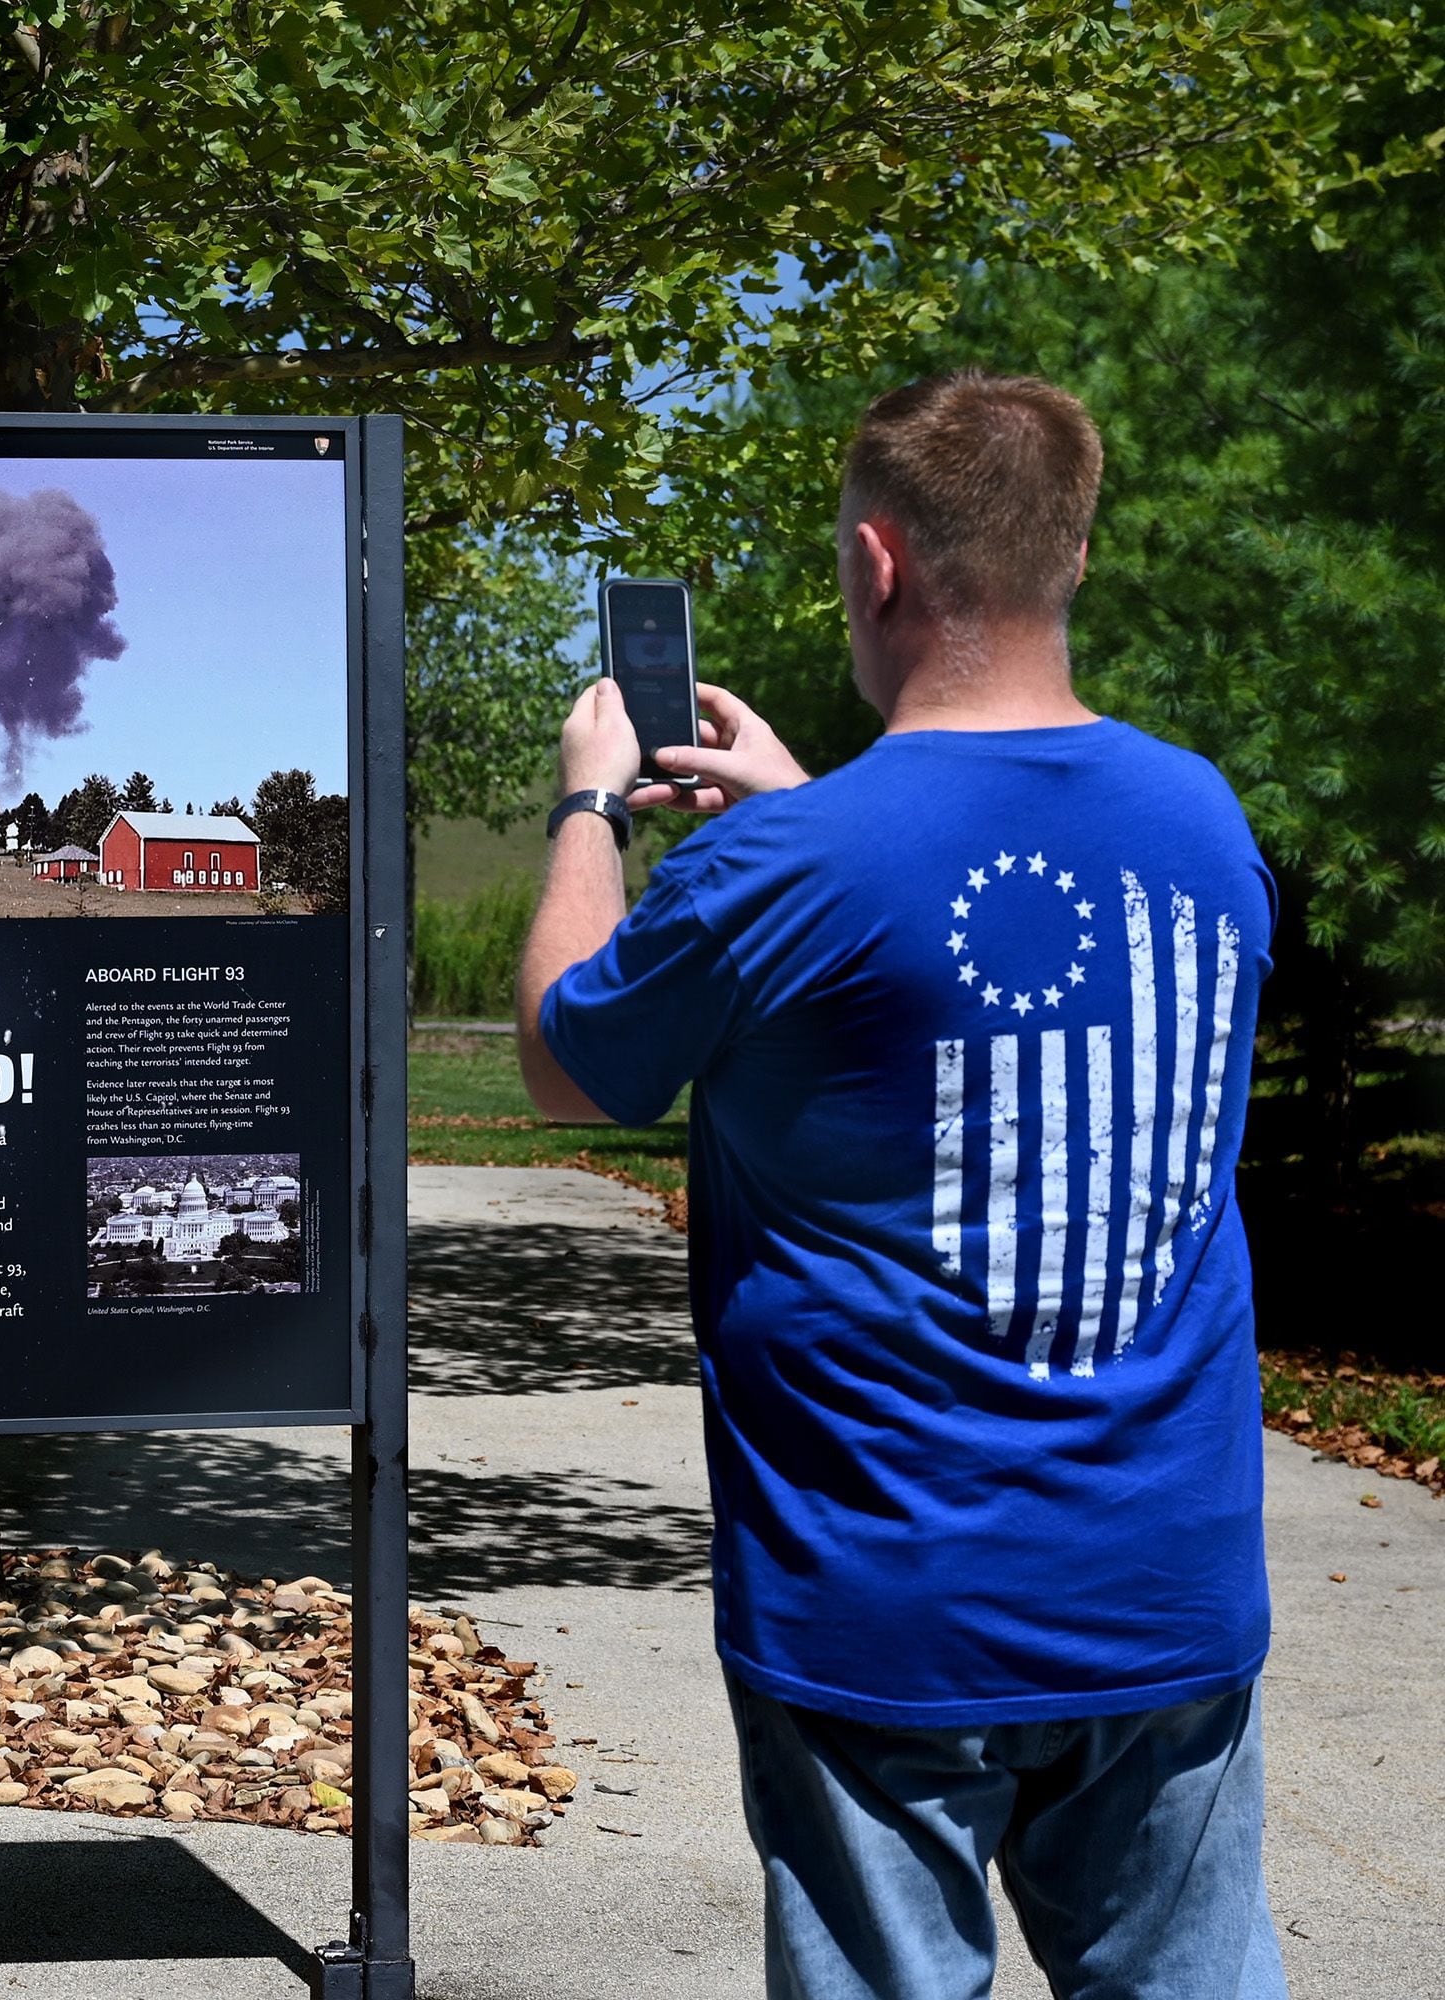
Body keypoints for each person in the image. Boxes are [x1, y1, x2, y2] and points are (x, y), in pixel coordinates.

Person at [518, 371, 1284, 1998]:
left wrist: (591, 803)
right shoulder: (1205, 823)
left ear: (877, 564)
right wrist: (815, 812)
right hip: (1168, 1585)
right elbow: (990, 1004)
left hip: (885, 1606)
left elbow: (565, 1060)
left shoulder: (781, 871)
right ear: (1072, 554)